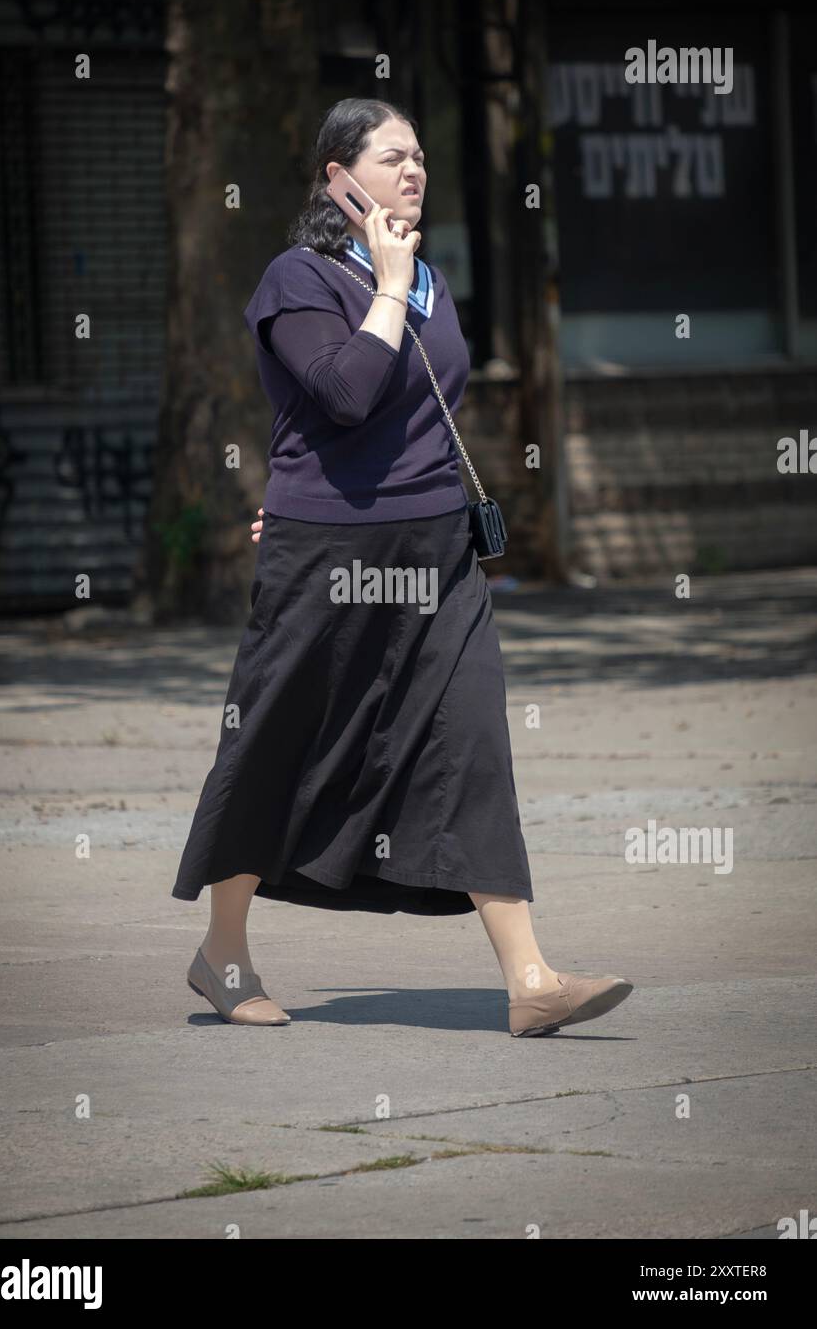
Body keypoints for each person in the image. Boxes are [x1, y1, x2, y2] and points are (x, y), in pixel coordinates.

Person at [172, 97, 633, 1039]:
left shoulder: (427, 276)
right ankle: (222, 952)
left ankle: (532, 977)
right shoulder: (296, 279)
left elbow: (419, 411)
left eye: (421, 155)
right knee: (277, 743)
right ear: (337, 177)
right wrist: (384, 283)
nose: (415, 170)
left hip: (438, 556)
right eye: (392, 156)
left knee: (472, 744)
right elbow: (342, 395)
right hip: (325, 560)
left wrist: (399, 276)